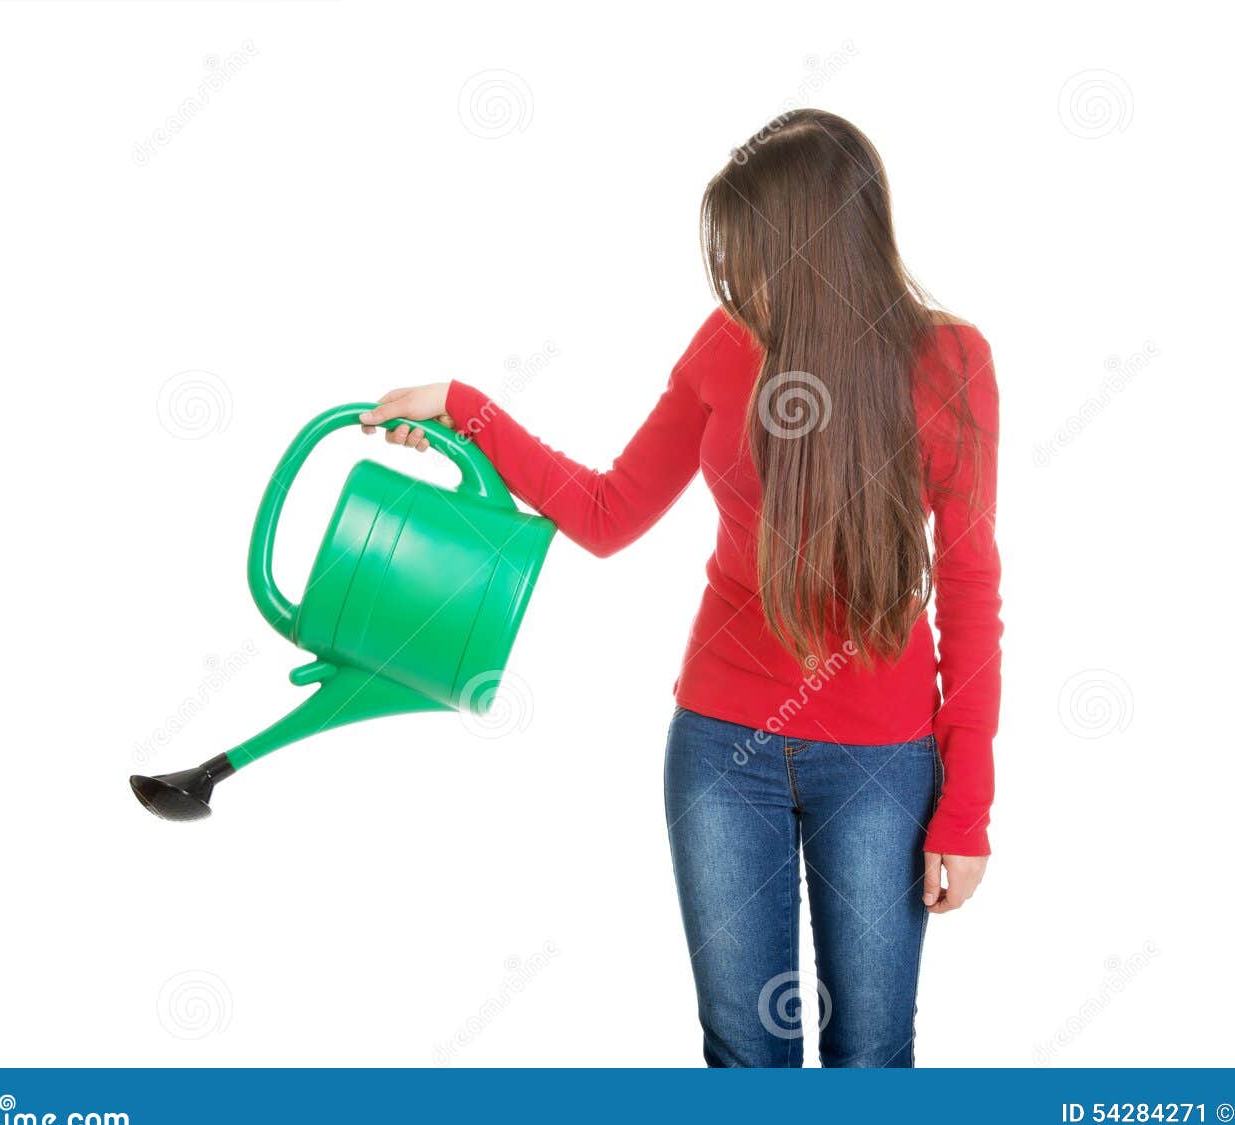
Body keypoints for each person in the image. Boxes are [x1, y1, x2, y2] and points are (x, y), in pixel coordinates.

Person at [362, 109, 1001, 1067]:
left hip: (883, 763)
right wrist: (467, 412)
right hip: (719, 750)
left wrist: (967, 807)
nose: (740, 283)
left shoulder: (950, 362)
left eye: (755, 254)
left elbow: (970, 587)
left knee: (871, 1056)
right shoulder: (725, 344)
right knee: (744, 1053)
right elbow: (611, 511)